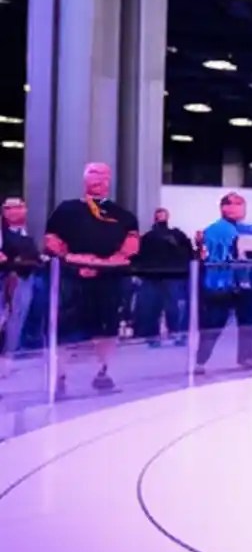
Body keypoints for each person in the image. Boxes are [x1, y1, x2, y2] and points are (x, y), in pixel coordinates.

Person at [43, 162, 140, 396]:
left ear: (109, 180)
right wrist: (75, 261)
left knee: (106, 329)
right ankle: (59, 378)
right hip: (72, 280)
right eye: (93, 175)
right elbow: (51, 241)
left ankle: (103, 374)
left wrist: (100, 265)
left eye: (103, 176)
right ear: (84, 179)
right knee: (66, 329)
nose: (99, 180)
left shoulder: (123, 216)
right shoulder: (66, 210)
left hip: (108, 281)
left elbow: (131, 248)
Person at [195, 192, 252, 374]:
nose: (239, 208)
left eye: (241, 204)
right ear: (224, 207)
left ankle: (246, 358)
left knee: (248, 322)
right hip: (220, 283)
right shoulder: (214, 230)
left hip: (246, 283)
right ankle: (200, 360)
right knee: (214, 323)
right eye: (235, 204)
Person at [132, 208, 194, 347]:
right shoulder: (165, 236)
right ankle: (168, 334)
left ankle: (165, 335)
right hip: (163, 275)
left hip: (163, 275)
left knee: (165, 306)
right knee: (163, 306)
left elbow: (140, 256)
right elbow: (187, 253)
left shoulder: (153, 236)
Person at [1, 197, 40, 377]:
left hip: (28, 279)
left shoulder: (26, 234)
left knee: (19, 320)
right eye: (9, 208)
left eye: (19, 207)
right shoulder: (4, 234)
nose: (14, 211)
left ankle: (11, 357)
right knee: (9, 319)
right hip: (9, 281)